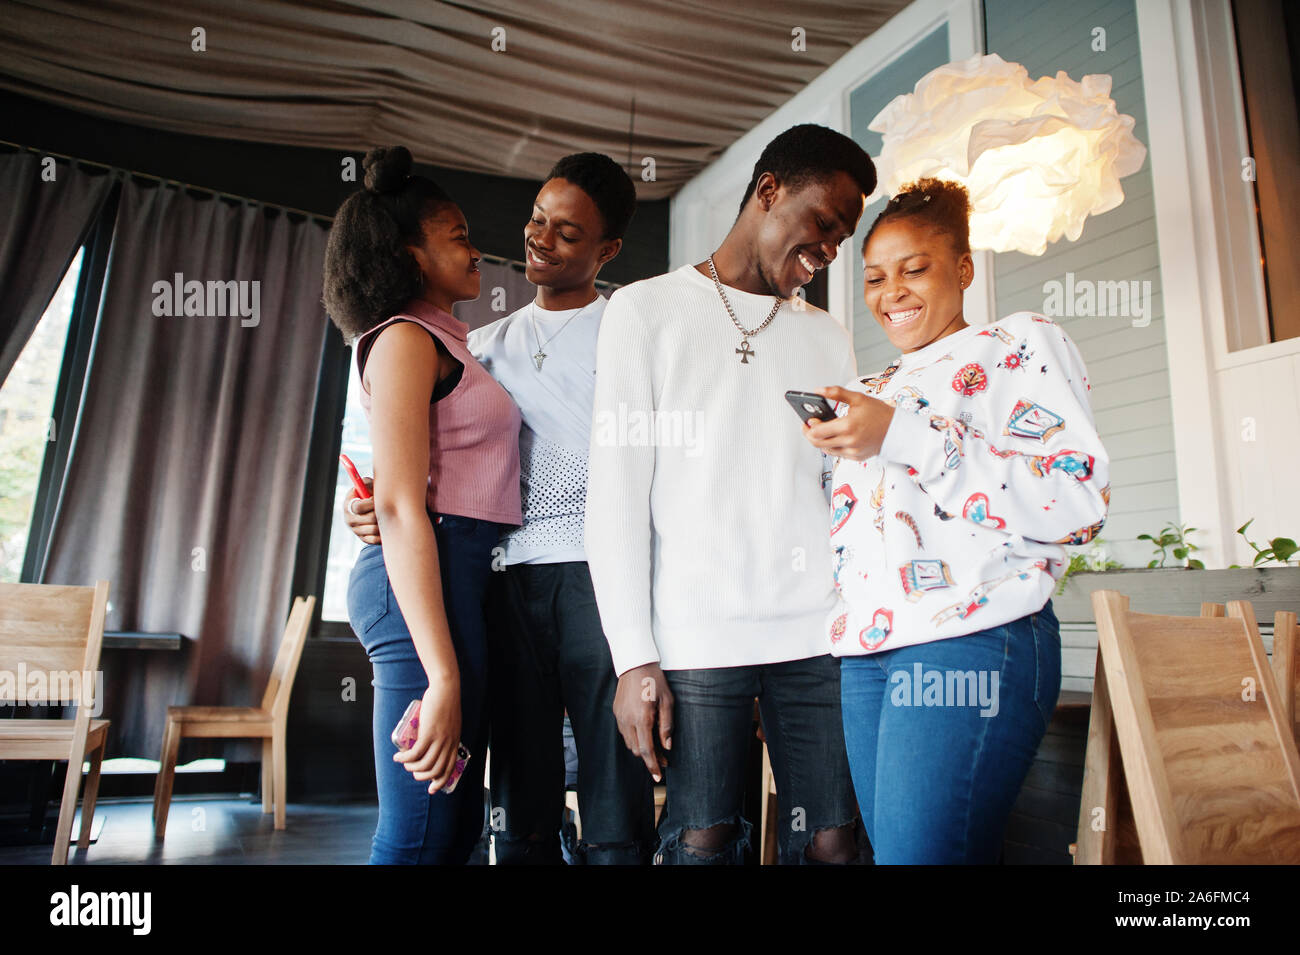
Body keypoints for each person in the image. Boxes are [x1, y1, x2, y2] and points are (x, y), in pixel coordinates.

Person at [344, 154, 656, 864]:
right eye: (537, 219)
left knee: (614, 796)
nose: (540, 239)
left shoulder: (630, 333)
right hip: (501, 579)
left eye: (568, 232)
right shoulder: (480, 347)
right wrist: (368, 510)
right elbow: (422, 467)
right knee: (515, 795)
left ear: (606, 250)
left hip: (599, 579)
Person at [584, 124, 876, 864]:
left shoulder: (828, 336)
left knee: (836, 841)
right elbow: (616, 498)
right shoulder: (642, 311)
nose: (829, 250)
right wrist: (632, 658)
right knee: (705, 838)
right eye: (823, 224)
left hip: (814, 630)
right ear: (768, 189)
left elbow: (837, 489)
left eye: (842, 238)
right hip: (695, 631)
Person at [800, 177, 1110, 863]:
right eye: (875, 277)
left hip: (973, 637)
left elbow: (1078, 500)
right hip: (866, 656)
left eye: (916, 269)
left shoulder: (1017, 345)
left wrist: (903, 437)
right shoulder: (873, 390)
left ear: (964, 268)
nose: (892, 293)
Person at [323, 145, 522, 864]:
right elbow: (403, 506)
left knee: (453, 831)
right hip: (420, 589)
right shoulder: (405, 339)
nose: (477, 250)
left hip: (453, 580)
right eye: (458, 235)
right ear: (410, 252)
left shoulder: (447, 341)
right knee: (420, 837)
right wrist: (443, 676)